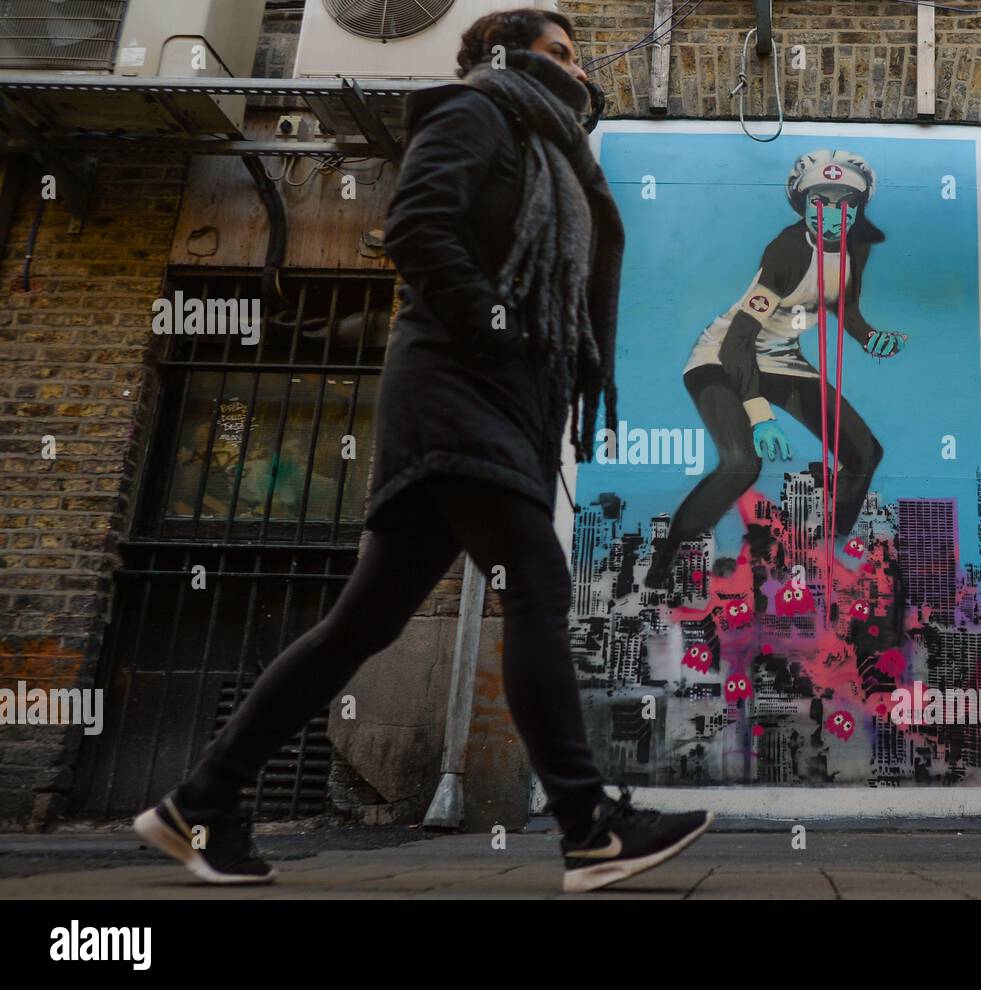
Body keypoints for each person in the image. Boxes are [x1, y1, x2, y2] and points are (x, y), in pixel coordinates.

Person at [134, 7, 712, 895]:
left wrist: (524, 360)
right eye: (560, 51)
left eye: (577, 53)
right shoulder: (476, 107)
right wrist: (497, 327)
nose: (579, 67)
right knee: (538, 581)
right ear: (505, 54)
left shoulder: (551, 145)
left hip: (497, 403)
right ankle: (589, 824)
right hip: (456, 391)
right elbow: (414, 227)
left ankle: (202, 800)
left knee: (362, 625)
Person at [644, 150, 905, 591]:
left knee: (864, 453)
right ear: (803, 205)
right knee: (742, 463)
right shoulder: (786, 250)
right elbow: (738, 341)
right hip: (721, 359)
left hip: (782, 360)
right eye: (819, 202)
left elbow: (847, 309)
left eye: (844, 204)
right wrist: (760, 415)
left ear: (857, 209)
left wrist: (871, 338)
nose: (831, 215)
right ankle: (665, 559)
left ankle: (829, 549)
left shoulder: (856, 249)